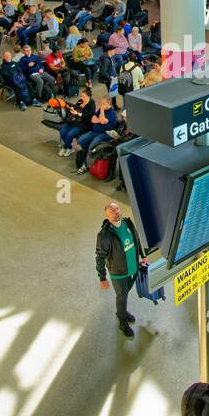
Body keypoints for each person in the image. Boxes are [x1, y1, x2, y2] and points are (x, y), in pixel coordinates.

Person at [95, 201, 149, 337]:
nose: (116, 212)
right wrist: (102, 278)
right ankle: (122, 320)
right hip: (118, 273)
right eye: (111, 212)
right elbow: (100, 257)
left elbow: (137, 239)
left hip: (133, 267)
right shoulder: (104, 235)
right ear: (107, 216)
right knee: (122, 296)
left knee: (124, 294)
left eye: (117, 209)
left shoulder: (128, 223)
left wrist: (143, 255)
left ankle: (121, 312)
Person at [75, 96, 118, 174]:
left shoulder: (112, 113)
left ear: (108, 103)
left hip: (104, 134)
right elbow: (92, 119)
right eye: (101, 103)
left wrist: (101, 111)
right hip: (94, 131)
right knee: (81, 140)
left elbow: (103, 121)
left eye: (103, 104)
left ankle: (85, 165)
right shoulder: (100, 110)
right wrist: (100, 119)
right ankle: (88, 154)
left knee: (92, 146)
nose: (101, 105)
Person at [58, 89, 95, 157]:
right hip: (73, 121)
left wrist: (78, 113)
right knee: (62, 131)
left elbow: (89, 116)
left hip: (82, 124)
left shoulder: (91, 104)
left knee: (70, 135)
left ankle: (65, 147)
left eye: (84, 97)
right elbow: (75, 108)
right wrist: (72, 109)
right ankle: (69, 147)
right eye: (81, 96)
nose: (82, 98)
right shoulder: (80, 101)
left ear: (89, 97)